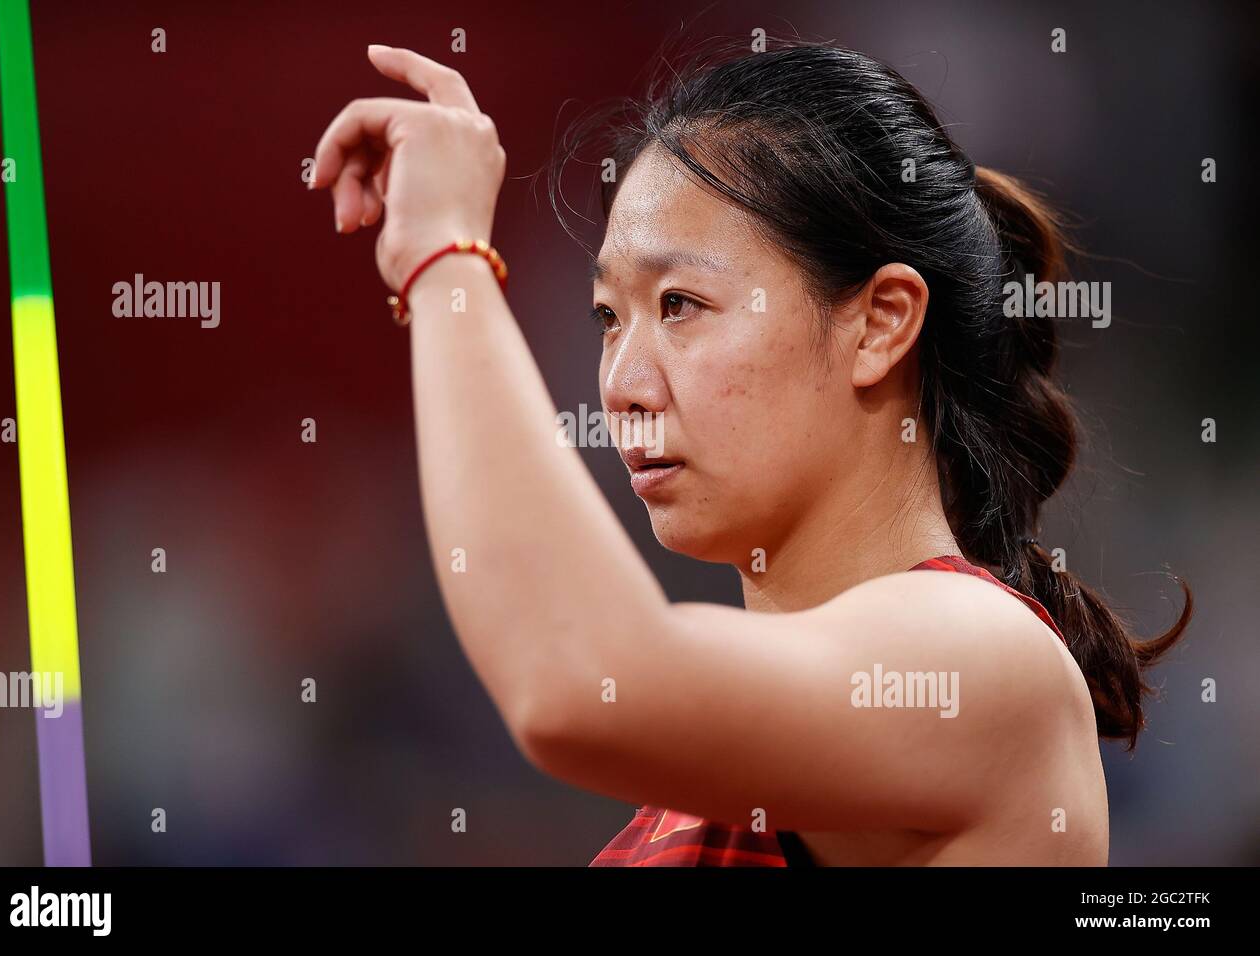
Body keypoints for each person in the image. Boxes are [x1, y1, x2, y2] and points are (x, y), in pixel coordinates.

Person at [309, 39, 1190, 866]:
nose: (620, 381)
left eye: (682, 304)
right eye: (608, 317)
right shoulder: (718, 781)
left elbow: (577, 684)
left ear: (880, 322)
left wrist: (444, 261)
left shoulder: (989, 666)